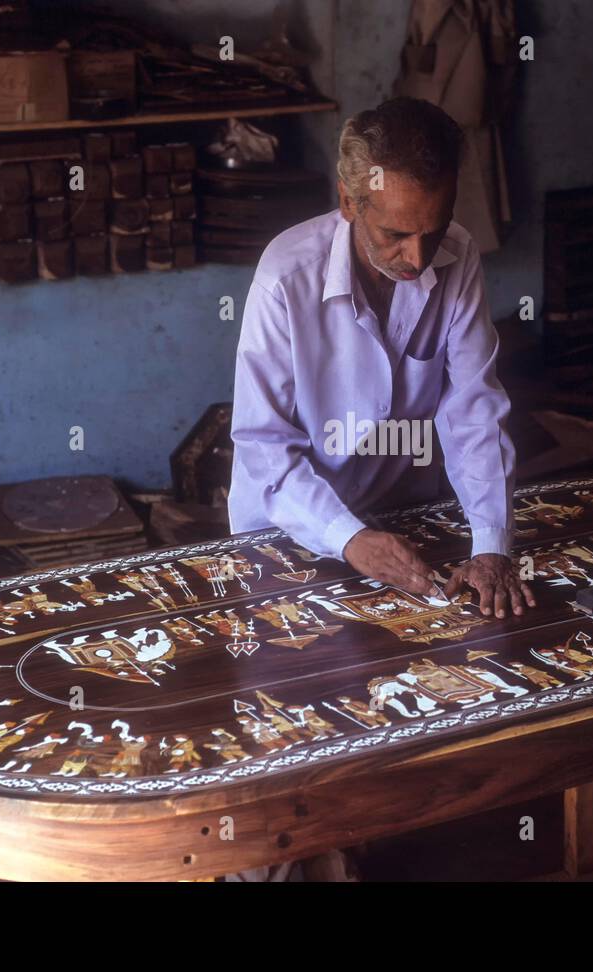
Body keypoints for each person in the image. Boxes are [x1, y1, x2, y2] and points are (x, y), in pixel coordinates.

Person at [228, 96, 535, 619]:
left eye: (432, 230)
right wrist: (348, 538)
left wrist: (490, 544)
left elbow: (472, 410)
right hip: (290, 527)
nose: (417, 258)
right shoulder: (286, 275)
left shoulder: (456, 256)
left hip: (403, 516)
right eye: (395, 235)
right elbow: (264, 443)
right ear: (350, 202)